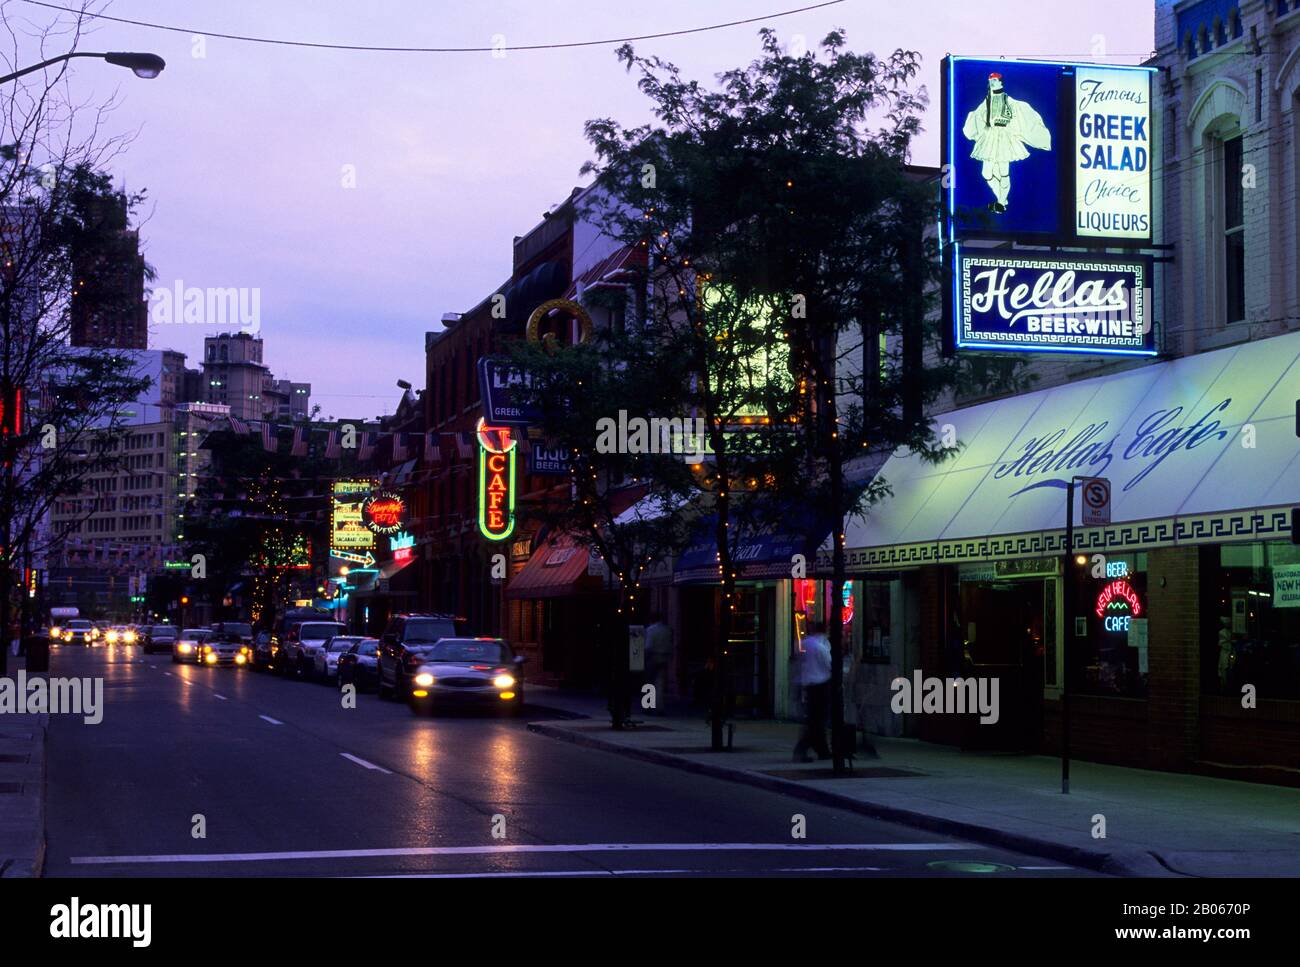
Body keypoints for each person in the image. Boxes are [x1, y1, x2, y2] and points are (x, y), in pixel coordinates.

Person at [962, 72, 1052, 213]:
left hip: (1004, 138)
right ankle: (1002, 200)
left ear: (1001, 82)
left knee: (1003, 172)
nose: (992, 82)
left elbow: (1017, 115)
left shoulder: (1009, 101)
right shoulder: (987, 100)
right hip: (990, 138)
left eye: (995, 80)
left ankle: (1000, 204)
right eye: (991, 80)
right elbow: (978, 116)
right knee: (986, 173)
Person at [792, 620, 832, 762]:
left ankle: (822, 750)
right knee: (817, 720)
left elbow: (798, 661)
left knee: (815, 719)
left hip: (808, 684)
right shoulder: (821, 647)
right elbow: (829, 665)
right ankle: (803, 749)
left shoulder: (806, 643)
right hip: (820, 685)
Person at [644, 613, 674, 715]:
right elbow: (670, 645)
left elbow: (648, 646)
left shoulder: (651, 630)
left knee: (649, 684)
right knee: (660, 684)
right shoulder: (667, 630)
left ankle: (648, 705)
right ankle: (659, 707)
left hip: (652, 658)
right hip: (663, 658)